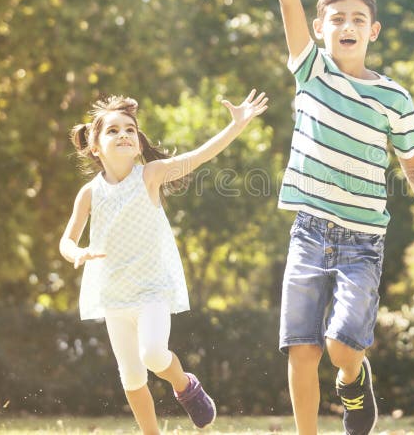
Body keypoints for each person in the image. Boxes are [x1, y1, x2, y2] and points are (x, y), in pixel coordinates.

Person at [251, 0, 414, 434]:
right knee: (301, 350)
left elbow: (413, 166)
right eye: (337, 18)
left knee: (341, 347)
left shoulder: (394, 98)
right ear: (320, 28)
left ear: (373, 31)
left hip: (362, 241)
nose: (347, 25)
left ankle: (354, 379)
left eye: (358, 19)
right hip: (309, 233)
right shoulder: (310, 70)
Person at [59, 90, 268, 435]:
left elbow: (198, 156)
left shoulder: (150, 175)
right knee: (131, 377)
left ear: (139, 143)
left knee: (154, 355)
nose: (124, 134)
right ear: (95, 147)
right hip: (114, 298)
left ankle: (186, 385)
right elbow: (66, 241)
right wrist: (76, 252)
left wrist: (236, 126)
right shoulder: (89, 193)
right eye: (113, 130)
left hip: (152, 291)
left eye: (130, 129)